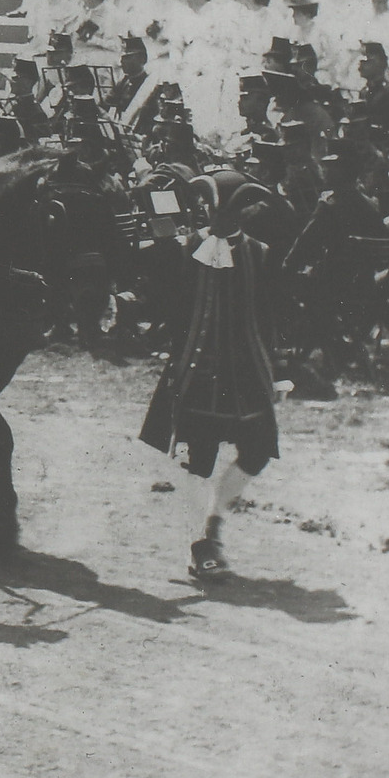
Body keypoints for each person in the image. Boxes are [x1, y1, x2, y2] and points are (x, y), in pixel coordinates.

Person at [140, 226, 281, 581]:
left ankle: (214, 521)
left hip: (246, 375)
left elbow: (269, 316)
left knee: (259, 449)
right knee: (198, 462)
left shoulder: (258, 252)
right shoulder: (186, 248)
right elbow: (164, 303)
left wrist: (277, 371)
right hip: (199, 374)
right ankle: (199, 547)